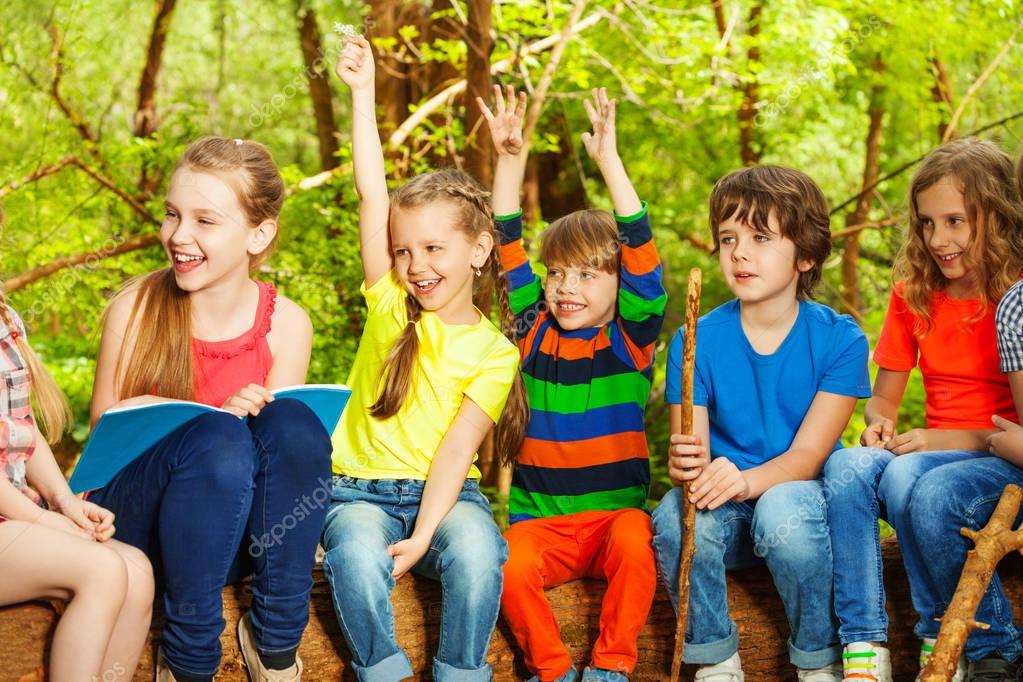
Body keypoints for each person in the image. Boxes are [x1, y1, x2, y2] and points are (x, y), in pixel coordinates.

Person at [88, 137, 332, 682]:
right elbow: (103, 449)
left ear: (259, 234)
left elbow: (278, 468)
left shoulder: (288, 323)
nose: (179, 236)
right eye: (173, 215)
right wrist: (202, 418)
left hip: (232, 531)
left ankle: (274, 643)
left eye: (205, 221)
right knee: (216, 439)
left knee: (292, 422)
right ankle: (188, 658)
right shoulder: (135, 309)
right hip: (138, 525)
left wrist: (247, 420)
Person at [321, 36, 520, 682]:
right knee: (351, 553)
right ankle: (380, 667)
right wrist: (362, 95)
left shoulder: (493, 352)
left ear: (478, 250)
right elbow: (371, 193)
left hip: (447, 494)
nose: (415, 266)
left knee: (478, 548)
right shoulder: (389, 304)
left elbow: (457, 452)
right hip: (356, 491)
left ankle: (459, 670)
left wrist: (423, 534)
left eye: (433, 249)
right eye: (404, 251)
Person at [652, 165, 870, 682]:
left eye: (761, 237)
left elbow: (809, 457)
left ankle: (819, 660)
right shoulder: (694, 339)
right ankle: (715, 660)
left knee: (778, 510)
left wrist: (747, 480)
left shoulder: (840, 339)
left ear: (807, 254)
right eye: (728, 238)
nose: (739, 252)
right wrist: (684, 463)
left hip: (800, 505)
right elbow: (693, 461)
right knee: (669, 518)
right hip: (726, 509)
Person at [479, 84, 666, 682]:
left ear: (618, 285)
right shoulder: (534, 333)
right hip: (542, 524)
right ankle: (553, 669)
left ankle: (612, 666)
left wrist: (609, 162)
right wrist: (510, 159)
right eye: (557, 272)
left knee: (642, 541)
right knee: (503, 564)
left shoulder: (629, 343)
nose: (566, 287)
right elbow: (507, 241)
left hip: (614, 522)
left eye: (588, 275)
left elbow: (641, 252)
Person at [825, 137, 1023, 682]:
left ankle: (963, 639)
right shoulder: (913, 290)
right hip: (935, 454)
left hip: (998, 461)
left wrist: (946, 439)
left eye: (956, 221)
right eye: (928, 223)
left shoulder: (1015, 298)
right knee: (845, 467)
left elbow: (1016, 434)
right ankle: (864, 643)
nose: (939, 239)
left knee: (917, 476)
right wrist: (880, 421)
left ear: (998, 216)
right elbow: (884, 394)